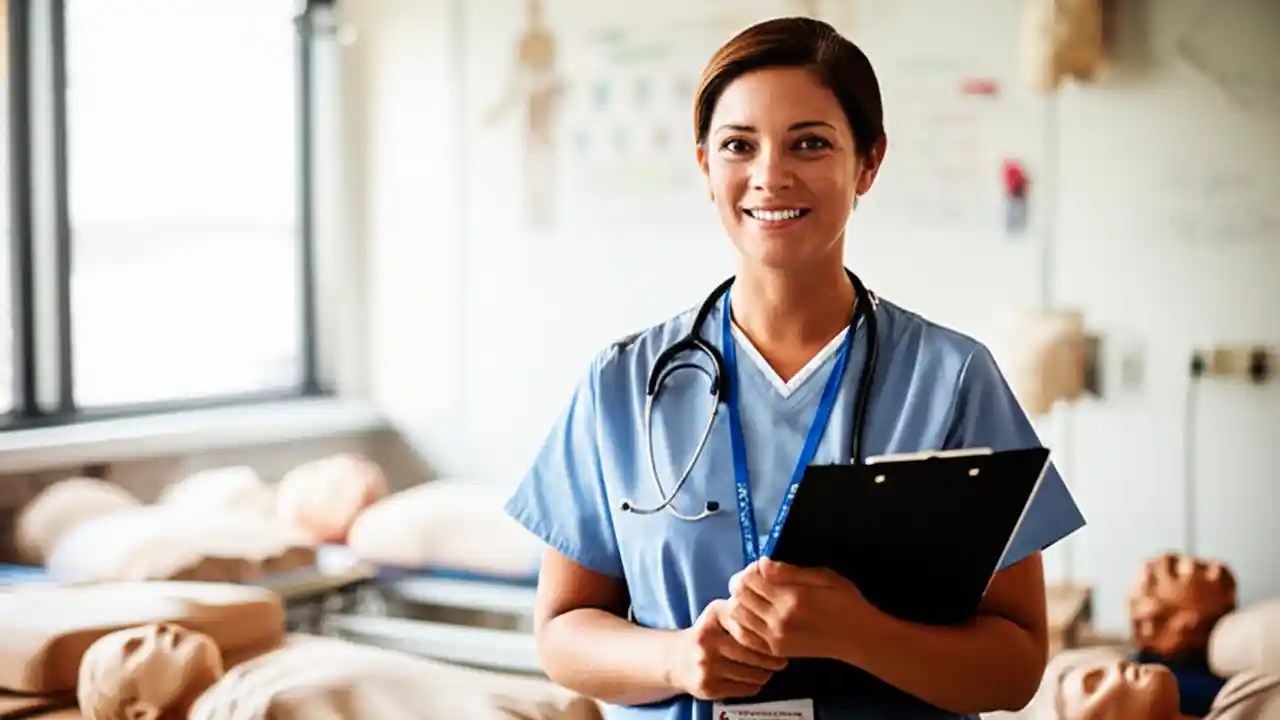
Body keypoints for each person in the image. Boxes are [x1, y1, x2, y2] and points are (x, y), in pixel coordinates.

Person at [504, 16, 1085, 720]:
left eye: (810, 143)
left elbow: (1015, 667)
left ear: (868, 162)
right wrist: (679, 659)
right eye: (738, 145)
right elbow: (562, 632)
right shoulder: (623, 385)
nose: (770, 175)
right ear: (705, 166)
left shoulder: (952, 380)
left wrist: (858, 634)